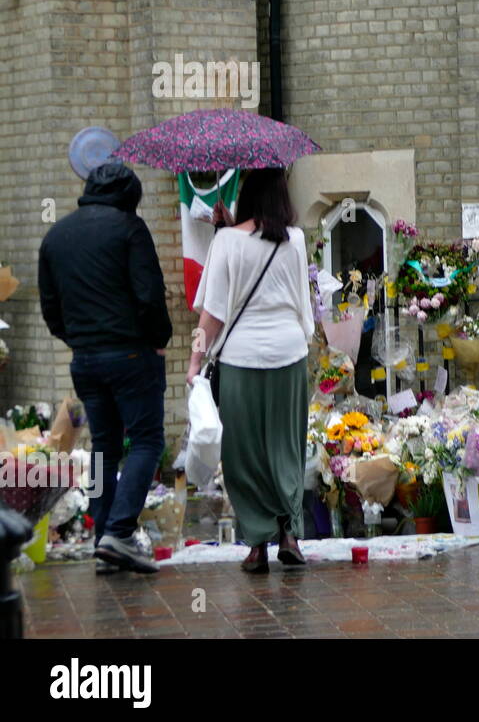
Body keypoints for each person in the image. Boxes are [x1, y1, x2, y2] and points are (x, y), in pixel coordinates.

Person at [38, 162, 172, 575]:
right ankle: (119, 531)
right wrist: (158, 339)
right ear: (130, 197)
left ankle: (103, 542)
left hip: (86, 359)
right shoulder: (130, 230)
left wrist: (78, 341)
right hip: (131, 354)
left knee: (103, 449)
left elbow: (50, 308)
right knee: (147, 441)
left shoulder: (56, 236)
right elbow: (149, 296)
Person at [187, 168, 314, 573]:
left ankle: (257, 544)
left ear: (247, 193)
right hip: (289, 355)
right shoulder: (294, 239)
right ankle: (290, 533)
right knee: (286, 447)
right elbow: (300, 301)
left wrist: (194, 362)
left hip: (241, 360)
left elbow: (213, 314)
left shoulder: (226, 240)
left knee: (243, 453)